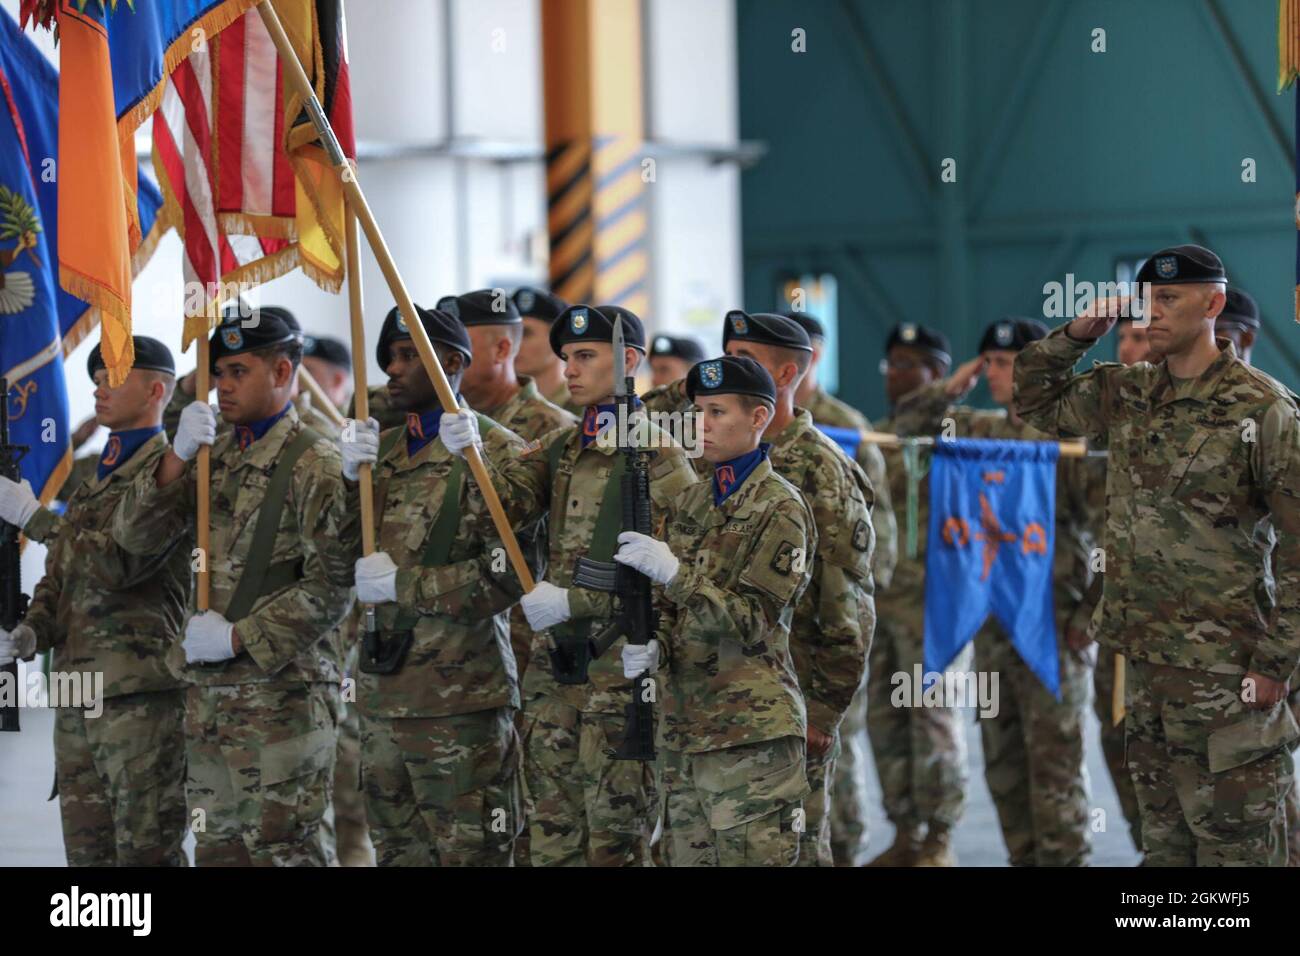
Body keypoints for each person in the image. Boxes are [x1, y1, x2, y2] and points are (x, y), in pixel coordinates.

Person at [1015, 244, 1300, 866]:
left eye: (1169, 299)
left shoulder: (1264, 409)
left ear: (1213, 305)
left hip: (1227, 674)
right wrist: (1078, 332)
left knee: (1236, 856)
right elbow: (1034, 401)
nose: (1151, 315)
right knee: (1164, 851)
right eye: (1145, 302)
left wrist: (1277, 664)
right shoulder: (1129, 393)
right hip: (1143, 669)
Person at [111, 309, 356, 866]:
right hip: (209, 696)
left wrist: (239, 638)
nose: (223, 385)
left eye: (239, 371)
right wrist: (174, 454)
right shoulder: (208, 454)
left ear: (282, 372)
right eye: (218, 371)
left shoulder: (314, 462)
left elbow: (334, 587)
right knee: (219, 851)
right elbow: (135, 536)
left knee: (285, 851)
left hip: (283, 698)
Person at [644, 310, 877, 867]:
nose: (725, 368)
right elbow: (633, 419)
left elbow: (848, 605)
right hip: (703, 703)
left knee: (794, 849)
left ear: (787, 374)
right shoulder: (713, 459)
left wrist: (824, 710)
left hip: (779, 702)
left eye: (743, 361)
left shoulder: (821, 468)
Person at [339, 304, 544, 866]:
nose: (393, 370)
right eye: (390, 358)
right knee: (397, 854)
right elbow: (335, 560)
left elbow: (511, 577)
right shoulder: (378, 455)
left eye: (409, 357)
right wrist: (340, 483)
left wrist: (404, 585)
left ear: (451, 362)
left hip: (460, 701)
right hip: (382, 696)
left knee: (472, 853)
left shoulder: (499, 454)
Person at [893, 318, 1101, 867]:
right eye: (990, 363)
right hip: (990, 627)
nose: (996, 374)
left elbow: (1113, 534)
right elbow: (907, 423)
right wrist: (952, 385)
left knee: (1055, 766)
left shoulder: (1068, 441)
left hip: (1053, 627)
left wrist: (1091, 615)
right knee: (1003, 764)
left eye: (1007, 363)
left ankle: (1065, 860)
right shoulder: (974, 429)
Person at [512, 304, 699, 866]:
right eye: (566, 357)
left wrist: (575, 600)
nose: (569, 368)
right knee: (551, 831)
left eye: (586, 356)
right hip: (556, 671)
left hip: (621, 676)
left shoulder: (660, 456)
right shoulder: (562, 448)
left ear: (630, 362)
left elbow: (678, 575)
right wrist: (465, 445)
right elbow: (497, 503)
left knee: (615, 839)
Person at [616, 356, 814, 865]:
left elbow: (753, 620)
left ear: (758, 417)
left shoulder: (780, 505)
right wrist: (651, 642)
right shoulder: (694, 500)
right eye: (697, 411)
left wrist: (675, 575)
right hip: (685, 727)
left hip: (751, 734)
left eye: (717, 412)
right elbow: (668, 608)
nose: (701, 426)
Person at [0, 337, 189, 866]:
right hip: (77, 695)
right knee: (88, 860)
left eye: (115, 375)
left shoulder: (171, 474)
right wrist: (32, 631)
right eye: (98, 375)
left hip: (138, 697)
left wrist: (35, 520)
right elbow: (63, 579)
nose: (99, 385)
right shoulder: (93, 478)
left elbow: (116, 565)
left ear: (155, 390)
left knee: (147, 852)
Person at [785, 309, 898, 865]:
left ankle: (849, 847)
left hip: (828, 629)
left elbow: (878, 541)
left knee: (836, 751)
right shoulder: (737, 430)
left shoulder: (841, 427)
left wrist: (854, 623)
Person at [865, 322, 971, 866]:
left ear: (940, 375)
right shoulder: (876, 436)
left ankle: (939, 836)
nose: (898, 375)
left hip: (937, 603)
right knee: (883, 719)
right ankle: (904, 830)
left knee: (932, 720)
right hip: (880, 604)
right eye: (893, 365)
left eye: (912, 365)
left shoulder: (959, 433)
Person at [513, 286, 575, 413]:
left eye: (525, 334)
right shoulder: (497, 407)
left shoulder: (585, 408)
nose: (513, 344)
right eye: (511, 334)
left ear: (559, 339)